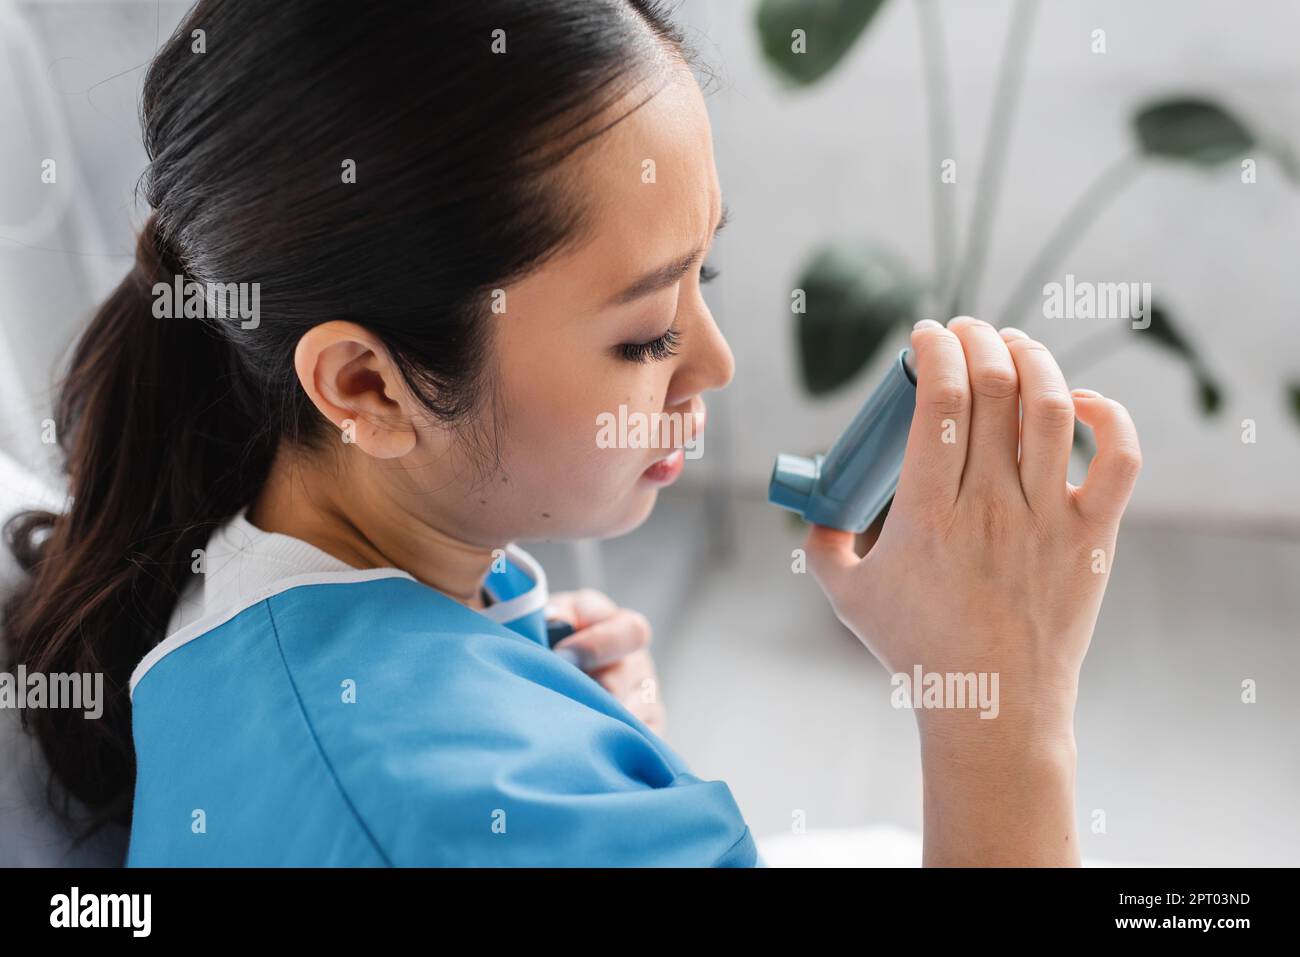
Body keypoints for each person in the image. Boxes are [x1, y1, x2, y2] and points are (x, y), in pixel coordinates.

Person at [3, 0, 1140, 866]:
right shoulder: (439, 801)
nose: (715, 364)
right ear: (367, 388)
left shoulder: (259, 572)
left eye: (707, 273)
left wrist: (578, 744)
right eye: (645, 333)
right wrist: (1006, 707)